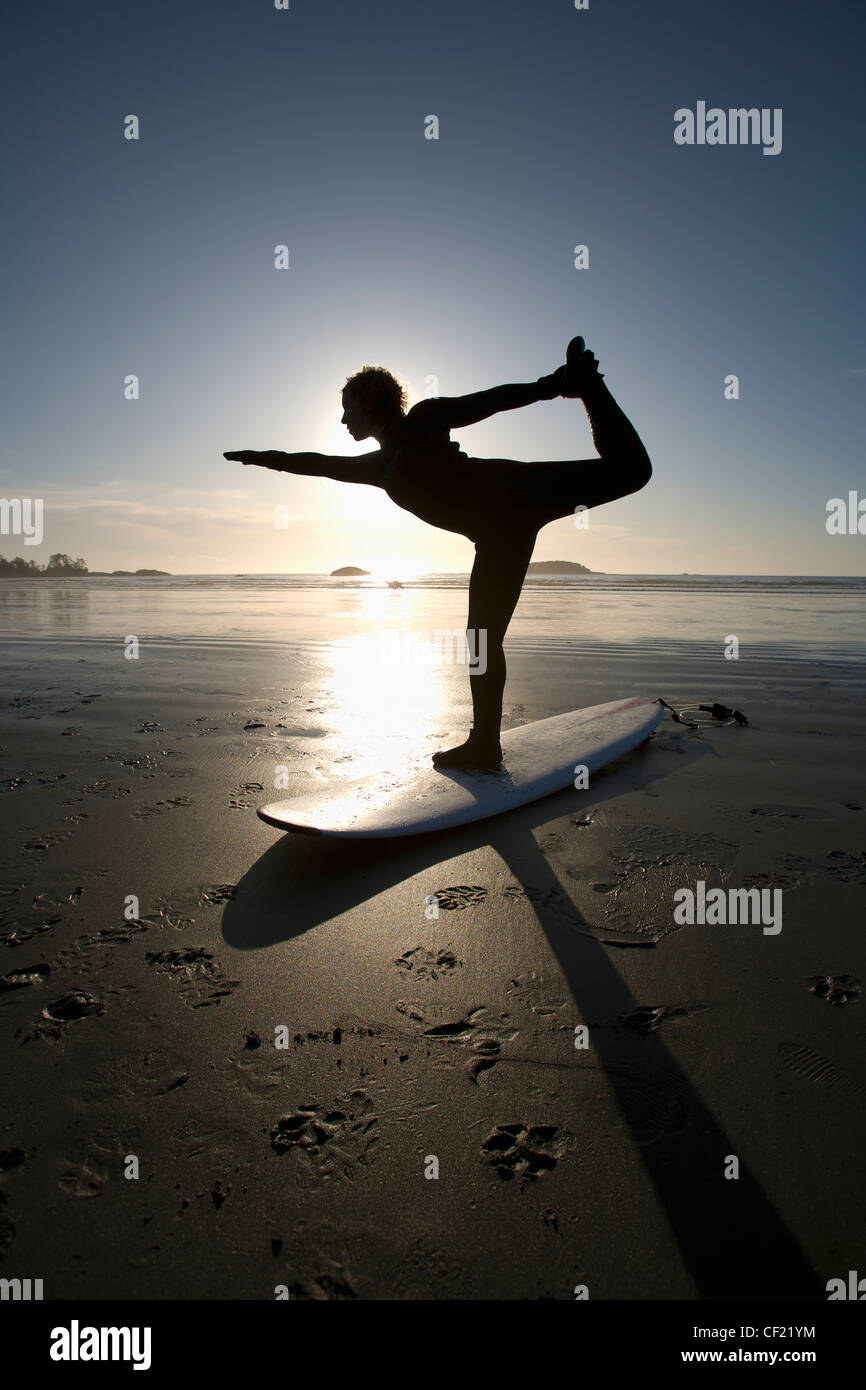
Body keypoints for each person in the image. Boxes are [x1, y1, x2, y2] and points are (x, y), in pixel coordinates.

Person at [224, 337, 652, 771]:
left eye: (347, 408)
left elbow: (491, 402)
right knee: (482, 641)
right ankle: (485, 745)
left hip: (518, 491)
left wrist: (553, 384)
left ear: (370, 402)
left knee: (633, 471)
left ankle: (587, 384)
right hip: (499, 536)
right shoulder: (378, 466)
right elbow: (316, 462)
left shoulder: (425, 420)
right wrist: (265, 459)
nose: (342, 419)